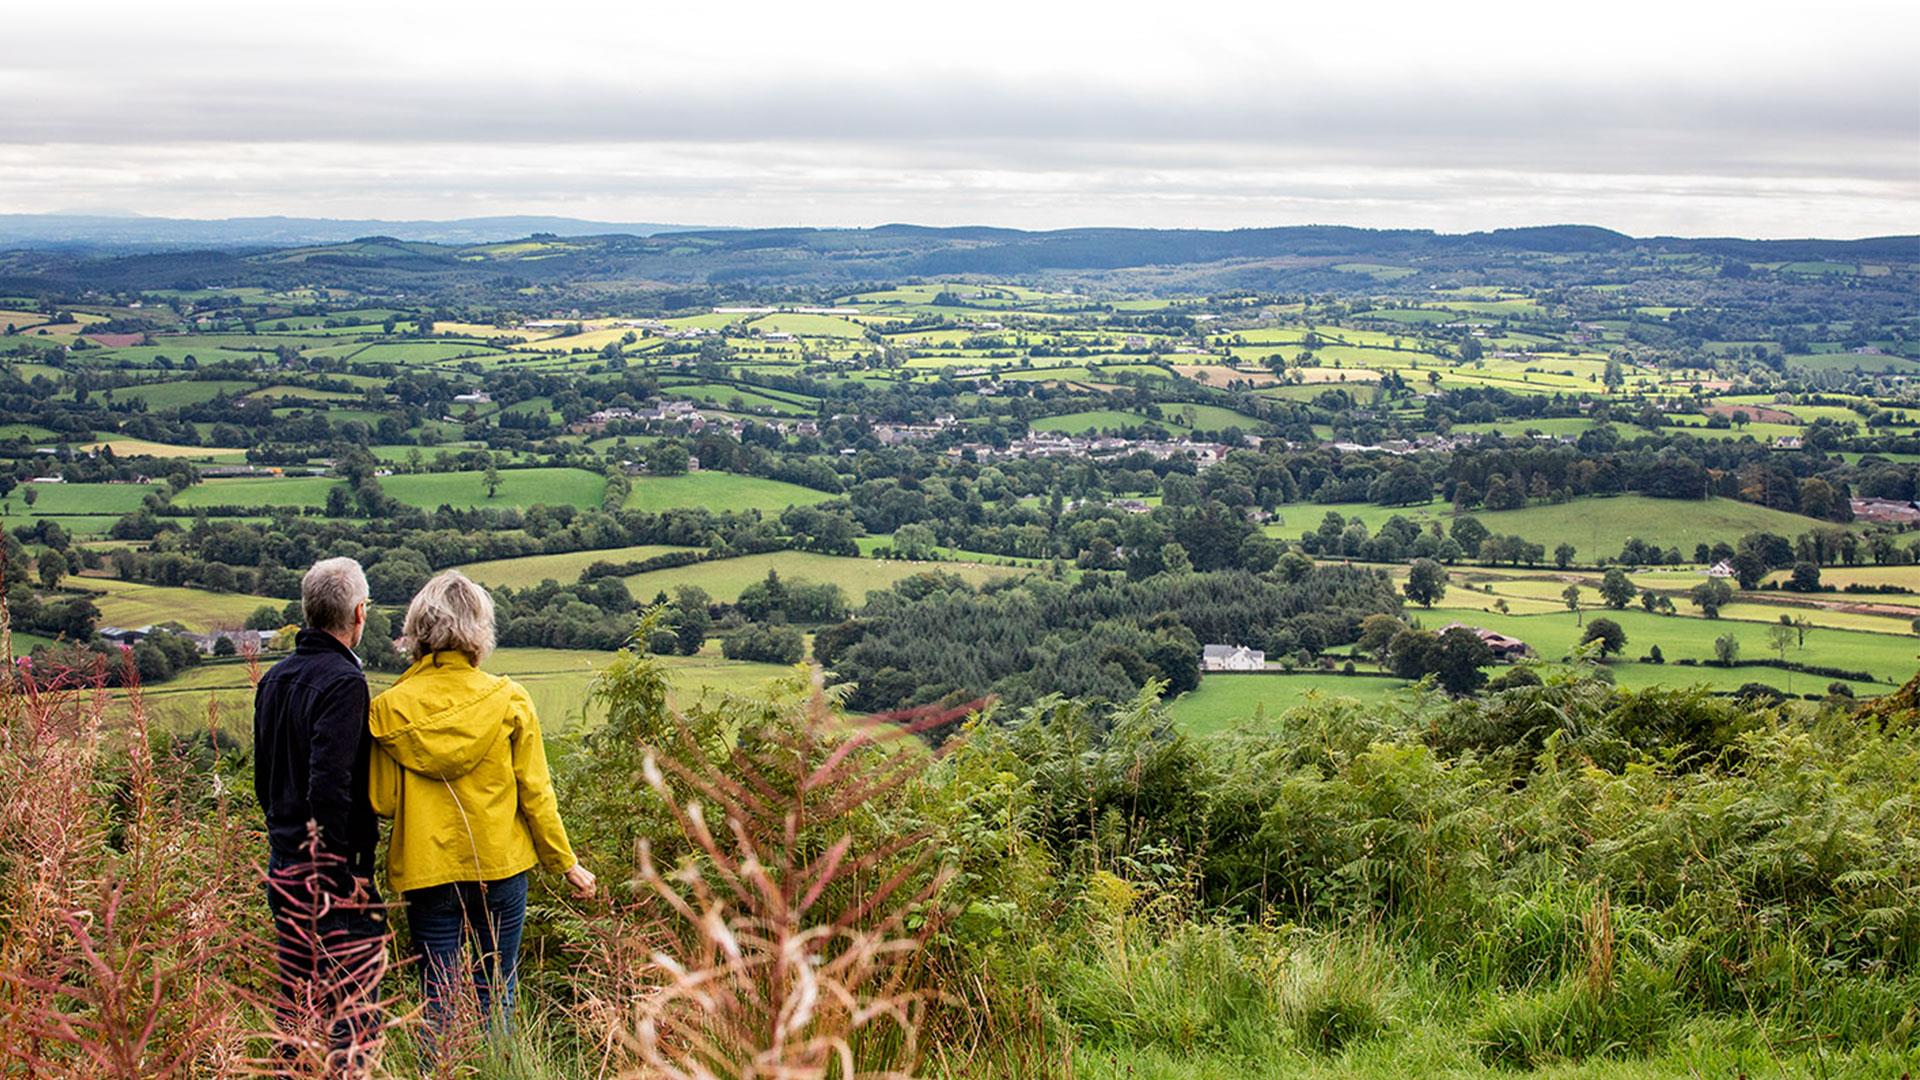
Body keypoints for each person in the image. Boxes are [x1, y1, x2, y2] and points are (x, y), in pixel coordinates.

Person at [368, 569, 595, 1049]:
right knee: (497, 992)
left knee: (439, 1000)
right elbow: (536, 792)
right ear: (478, 631)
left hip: (428, 870)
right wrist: (565, 863)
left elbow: (383, 801)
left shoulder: (388, 709)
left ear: (418, 631)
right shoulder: (509, 699)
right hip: (500, 865)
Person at [253, 556, 385, 1056]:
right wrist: (341, 871)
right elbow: (329, 787)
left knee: (298, 1006)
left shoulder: (275, 679)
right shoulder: (344, 683)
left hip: (283, 862)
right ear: (359, 613)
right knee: (352, 1017)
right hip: (329, 875)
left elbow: (264, 778)